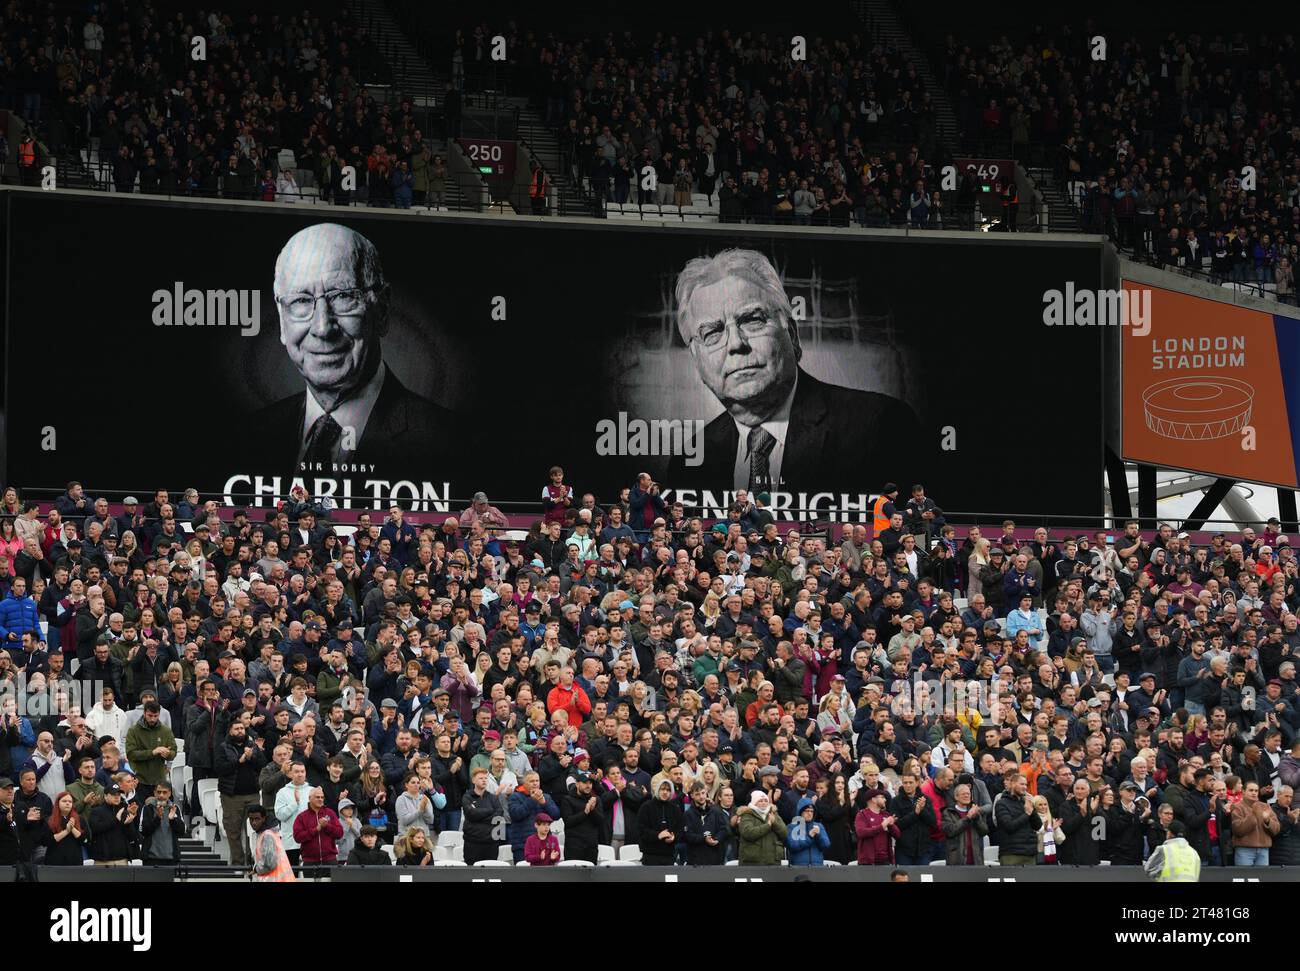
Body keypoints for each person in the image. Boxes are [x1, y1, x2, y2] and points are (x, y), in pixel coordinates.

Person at [666, 248, 920, 493]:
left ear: (792, 335)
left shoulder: (882, 428)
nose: (735, 344)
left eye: (752, 319)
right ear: (696, 360)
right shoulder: (689, 462)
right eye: (712, 332)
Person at [254, 223, 458, 471]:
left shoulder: (451, 444)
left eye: (342, 296)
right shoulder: (247, 437)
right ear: (282, 320)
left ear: (381, 310)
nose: (322, 327)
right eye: (301, 301)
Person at [993, 772, 1042, 865]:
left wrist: (1032, 810)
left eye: (1026, 784)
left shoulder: (1026, 803)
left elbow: (1038, 826)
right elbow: (1009, 826)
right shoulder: (1001, 803)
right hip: (1011, 854)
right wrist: (1026, 814)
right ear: (1012, 784)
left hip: (1030, 853)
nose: (1025, 787)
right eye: (1022, 784)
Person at [292, 786, 343, 874]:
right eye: (317, 797)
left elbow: (340, 833)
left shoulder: (330, 813)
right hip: (310, 862)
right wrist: (316, 829)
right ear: (310, 798)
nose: (320, 799)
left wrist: (327, 826)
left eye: (322, 797)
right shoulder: (301, 817)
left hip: (330, 861)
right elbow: (297, 837)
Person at [461, 766, 507, 864]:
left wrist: (479, 814)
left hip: (491, 844)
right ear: (473, 780)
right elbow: (471, 814)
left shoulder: (493, 798)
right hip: (472, 844)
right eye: (481, 778)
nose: (484, 780)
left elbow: (499, 816)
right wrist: (490, 811)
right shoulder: (467, 797)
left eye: (486, 778)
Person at [1229, 780, 1281, 866]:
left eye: (1256, 791)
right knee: (1245, 877)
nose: (1254, 793)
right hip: (1244, 850)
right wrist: (1253, 815)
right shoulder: (1237, 806)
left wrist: (1268, 821)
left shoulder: (1265, 806)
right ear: (1243, 791)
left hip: (1263, 850)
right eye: (1251, 790)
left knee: (1262, 878)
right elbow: (1238, 830)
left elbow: (1277, 829)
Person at [87, 783, 138, 865]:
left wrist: (128, 824)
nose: (117, 797)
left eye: (118, 794)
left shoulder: (124, 812)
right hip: (103, 860)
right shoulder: (96, 811)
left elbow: (132, 836)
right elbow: (95, 829)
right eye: (113, 794)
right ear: (105, 796)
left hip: (122, 859)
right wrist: (116, 820)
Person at [636, 777, 683, 865]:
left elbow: (680, 830)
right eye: (662, 789)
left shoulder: (675, 809)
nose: (665, 792)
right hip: (650, 856)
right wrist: (658, 835)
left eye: (668, 790)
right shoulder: (646, 807)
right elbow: (641, 830)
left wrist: (674, 837)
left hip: (669, 856)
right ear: (657, 790)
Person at [941, 782, 989, 865]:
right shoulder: (948, 812)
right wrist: (967, 818)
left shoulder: (974, 812)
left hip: (976, 860)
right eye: (963, 794)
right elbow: (950, 831)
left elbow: (984, 831)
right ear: (956, 797)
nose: (966, 796)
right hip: (957, 861)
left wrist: (977, 818)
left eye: (968, 794)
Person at [139, 780, 186, 865]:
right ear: (154, 793)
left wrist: (173, 820)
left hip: (171, 858)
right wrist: (157, 818)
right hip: (150, 858)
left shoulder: (175, 808)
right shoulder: (147, 808)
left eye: (164, 792)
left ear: (170, 793)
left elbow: (182, 831)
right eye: (159, 792)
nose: (161, 795)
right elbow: (143, 831)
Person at [736, 789, 787, 865]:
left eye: (766, 800)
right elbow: (748, 833)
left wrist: (774, 823)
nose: (764, 803)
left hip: (773, 861)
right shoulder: (747, 814)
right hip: (752, 862)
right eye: (760, 801)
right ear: (754, 803)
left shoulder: (773, 813)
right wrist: (768, 825)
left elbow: (784, 833)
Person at [248, 804, 296, 882]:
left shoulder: (267, 835)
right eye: (251, 819)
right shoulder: (266, 833)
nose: (254, 822)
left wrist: (256, 869)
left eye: (257, 819)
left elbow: (269, 864)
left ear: (264, 818)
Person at [856, 786, 901, 865]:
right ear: (873, 799)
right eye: (882, 797)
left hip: (885, 860)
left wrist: (891, 825)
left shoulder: (886, 815)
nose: (885, 800)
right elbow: (861, 832)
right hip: (868, 861)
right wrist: (881, 826)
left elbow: (897, 835)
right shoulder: (862, 814)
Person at [44, 790, 88, 865]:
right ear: (58, 803)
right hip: (54, 861)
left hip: (75, 861)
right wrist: (66, 831)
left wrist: (73, 829)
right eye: (64, 801)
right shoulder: (49, 820)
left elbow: (86, 840)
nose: (67, 803)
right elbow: (46, 841)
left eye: (70, 802)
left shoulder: (80, 819)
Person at [786, 796, 831, 865]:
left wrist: (819, 835)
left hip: (817, 867)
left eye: (812, 811)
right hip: (798, 868)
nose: (810, 813)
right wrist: (809, 837)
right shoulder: (791, 827)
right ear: (800, 811)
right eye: (807, 811)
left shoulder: (819, 826)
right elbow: (792, 846)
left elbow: (826, 845)